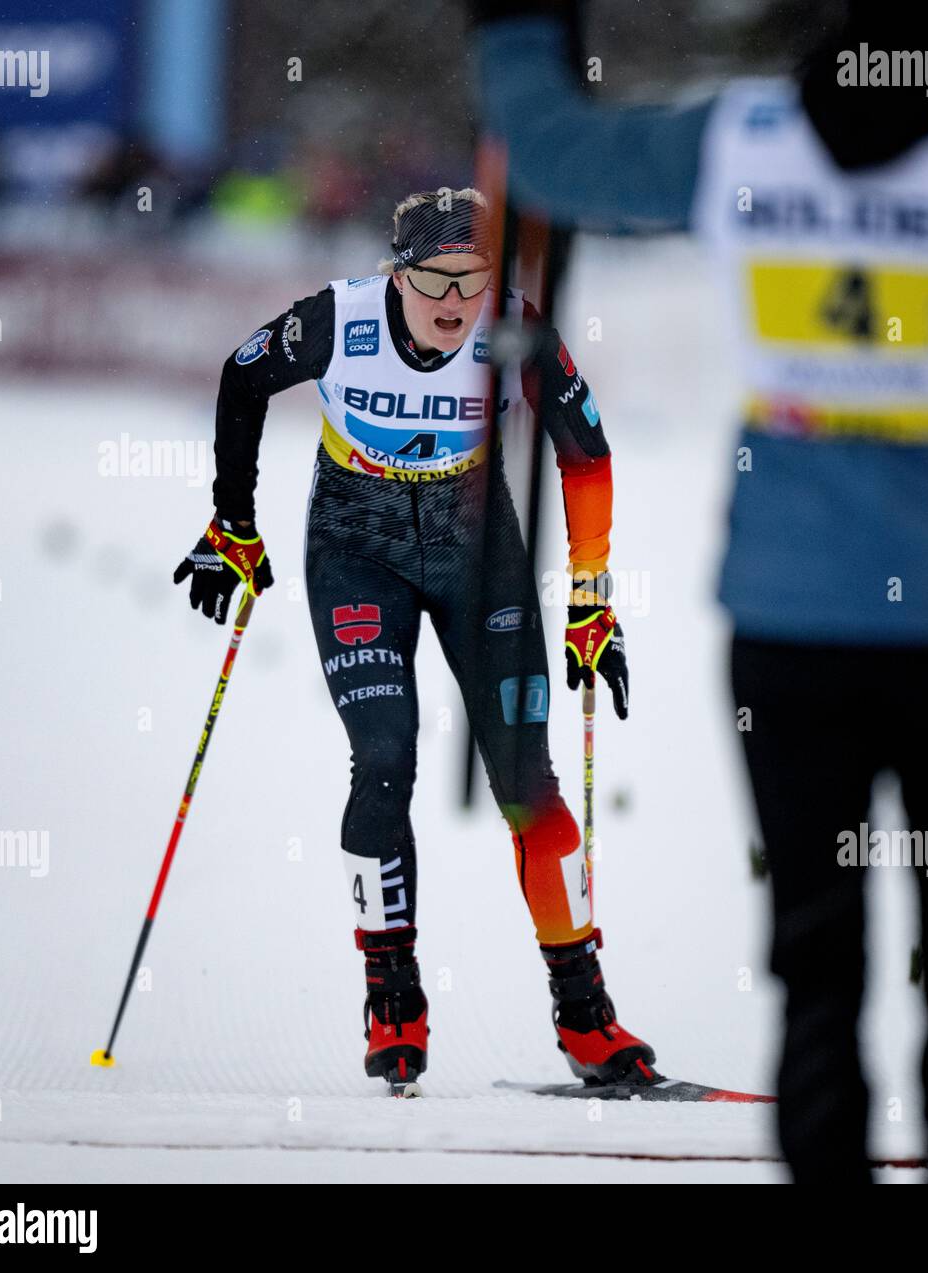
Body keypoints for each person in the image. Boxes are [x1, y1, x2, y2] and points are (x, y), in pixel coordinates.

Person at [471, 0, 928, 1178]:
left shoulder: (743, 138)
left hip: (787, 622)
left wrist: (515, 29)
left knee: (814, 948)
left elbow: (554, 155)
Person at [172, 187, 654, 1094]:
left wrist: (590, 598)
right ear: (398, 273)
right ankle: (392, 991)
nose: (455, 302)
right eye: (436, 279)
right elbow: (242, 375)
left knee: (525, 780)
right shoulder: (338, 320)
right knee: (386, 755)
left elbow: (587, 455)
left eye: (473, 280)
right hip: (359, 549)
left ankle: (586, 1014)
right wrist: (231, 521)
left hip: (480, 553)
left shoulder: (512, 327)